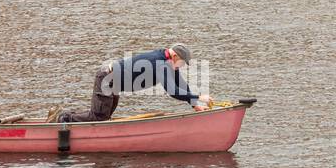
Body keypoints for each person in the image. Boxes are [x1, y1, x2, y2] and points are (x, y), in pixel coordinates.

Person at [49, 44, 213, 123]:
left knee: (103, 117)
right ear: (176, 57)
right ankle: (63, 117)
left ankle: (68, 115)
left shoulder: (167, 60)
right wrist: (199, 96)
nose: (182, 66)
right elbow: (172, 90)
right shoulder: (161, 63)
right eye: (183, 63)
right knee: (98, 117)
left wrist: (195, 105)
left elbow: (181, 84)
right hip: (107, 79)